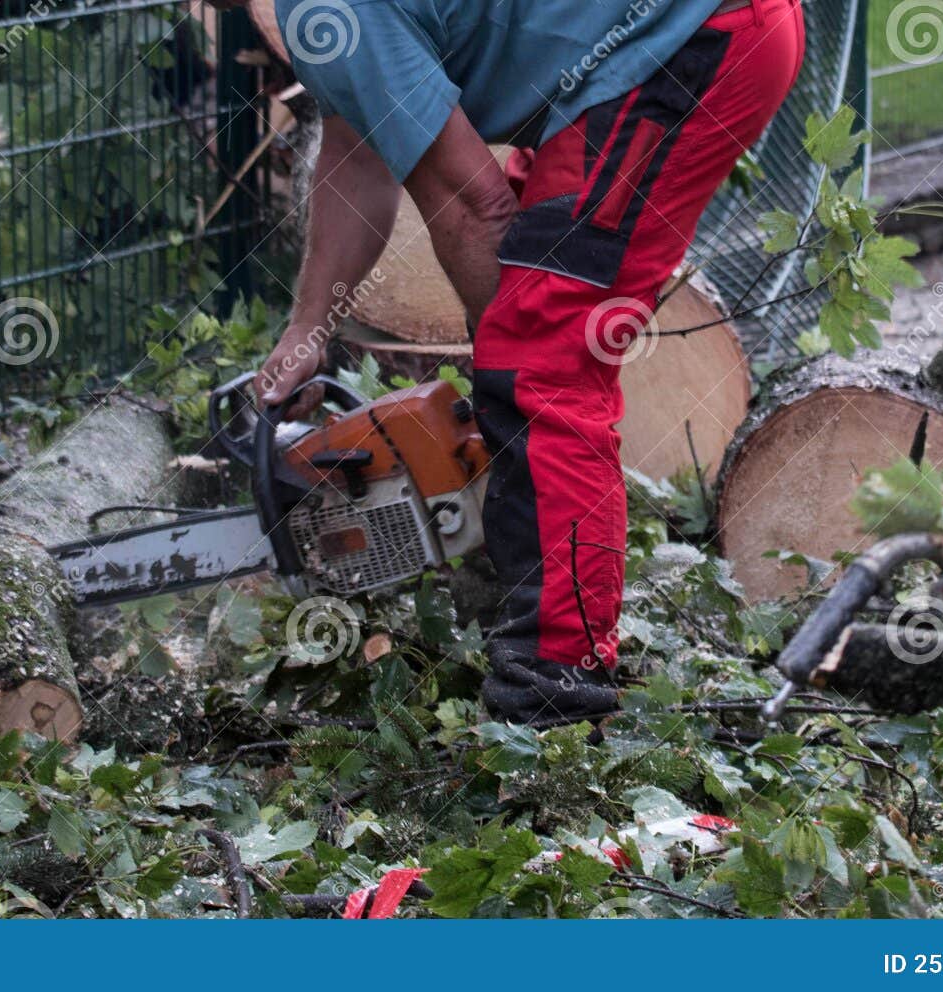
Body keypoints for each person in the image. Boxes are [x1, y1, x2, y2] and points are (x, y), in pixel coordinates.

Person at [218, 0, 805, 723]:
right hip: (623, 63)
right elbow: (357, 151)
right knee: (528, 349)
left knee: (543, 361)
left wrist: (506, 392)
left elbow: (472, 207)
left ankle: (553, 695)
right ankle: (543, 591)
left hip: (686, 38)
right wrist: (310, 326)